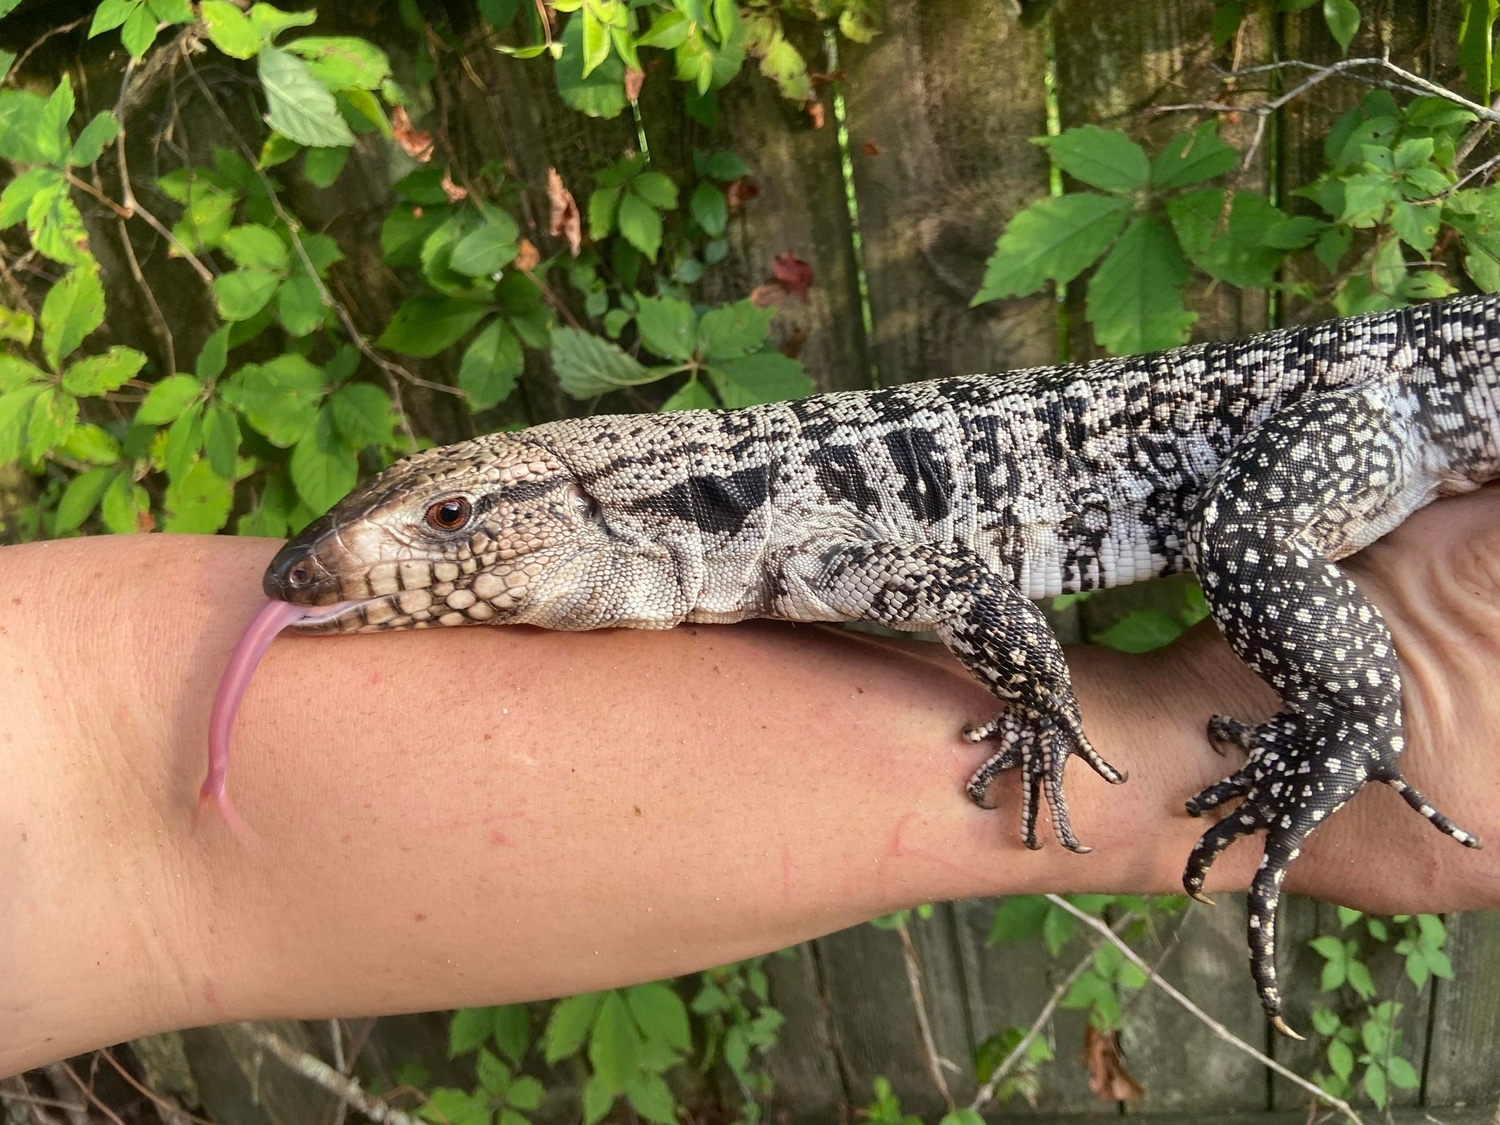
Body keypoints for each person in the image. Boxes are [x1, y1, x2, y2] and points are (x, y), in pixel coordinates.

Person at [2, 486, 1498, 1079]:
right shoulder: (757, 540)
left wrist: (1076, 713)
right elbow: (112, 802)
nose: (369, 559)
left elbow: (118, 788)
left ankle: (1365, 707)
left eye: (454, 515)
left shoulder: (802, 533)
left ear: (584, 504)